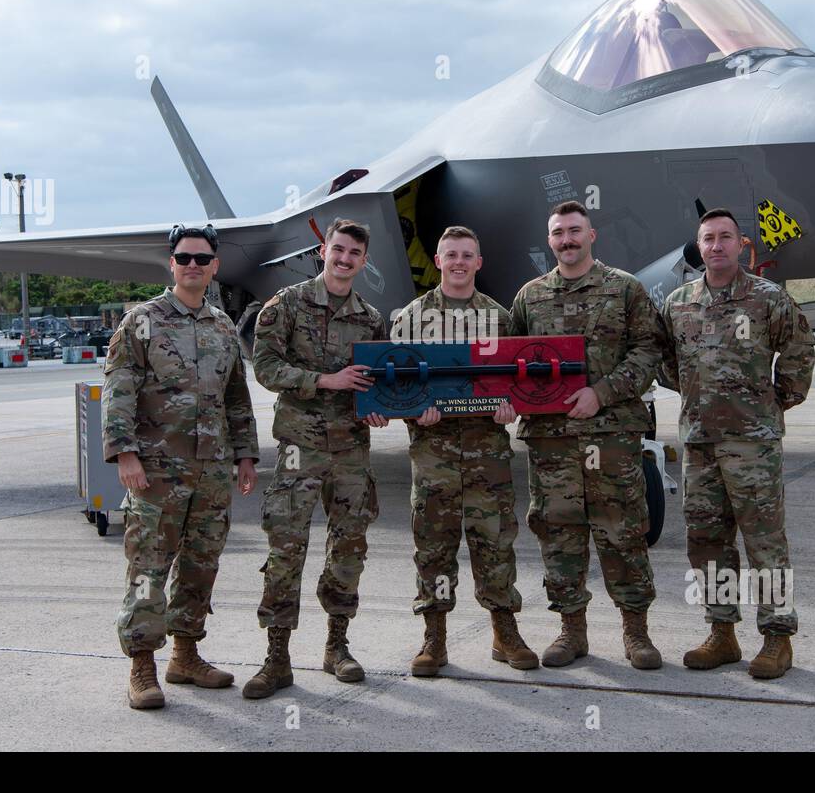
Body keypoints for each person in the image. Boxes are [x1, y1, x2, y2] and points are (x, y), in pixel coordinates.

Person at [103, 223, 259, 710]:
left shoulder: (223, 326)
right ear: (171, 264)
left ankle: (186, 655)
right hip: (155, 469)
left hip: (211, 470)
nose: (193, 265)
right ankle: (142, 665)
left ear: (215, 266)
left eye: (202, 258)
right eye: (184, 257)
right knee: (149, 566)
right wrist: (124, 453)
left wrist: (246, 454)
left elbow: (237, 396)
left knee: (201, 564)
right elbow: (119, 387)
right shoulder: (141, 321)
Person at [657, 208, 815, 679]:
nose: (717, 246)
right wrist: (694, 394)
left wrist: (775, 402)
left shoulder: (769, 299)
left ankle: (776, 637)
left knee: (764, 541)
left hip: (753, 444)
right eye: (708, 239)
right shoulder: (680, 302)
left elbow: (800, 351)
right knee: (707, 541)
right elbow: (667, 361)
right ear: (699, 247)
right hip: (700, 442)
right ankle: (722, 632)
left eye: (726, 237)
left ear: (740, 244)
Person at [509, 201, 663, 670]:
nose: (567, 240)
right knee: (558, 534)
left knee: (623, 533)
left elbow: (648, 351)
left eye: (575, 231)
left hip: (611, 436)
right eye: (558, 233)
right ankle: (571, 631)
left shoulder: (624, 289)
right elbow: (511, 364)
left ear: (591, 235)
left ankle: (636, 633)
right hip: (551, 441)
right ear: (550, 240)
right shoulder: (530, 296)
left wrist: (603, 392)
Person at [244, 218, 388, 699]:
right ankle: (277, 657)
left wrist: (377, 411)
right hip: (299, 449)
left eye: (354, 254)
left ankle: (337, 646)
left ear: (364, 262)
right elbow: (264, 366)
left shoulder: (370, 318)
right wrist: (325, 381)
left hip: (351, 450)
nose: (345, 259)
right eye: (338, 249)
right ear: (323, 249)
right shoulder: (286, 305)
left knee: (348, 550)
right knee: (286, 550)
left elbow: (379, 381)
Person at [401, 226, 538, 677]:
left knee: (495, 542)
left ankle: (505, 631)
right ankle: (434, 638)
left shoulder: (500, 318)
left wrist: (510, 408)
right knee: (434, 546)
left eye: (467, 255)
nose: (459, 262)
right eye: (450, 255)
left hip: (487, 454)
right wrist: (413, 412)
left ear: (479, 263)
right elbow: (395, 385)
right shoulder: (410, 318)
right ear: (438, 261)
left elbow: (516, 379)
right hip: (433, 455)